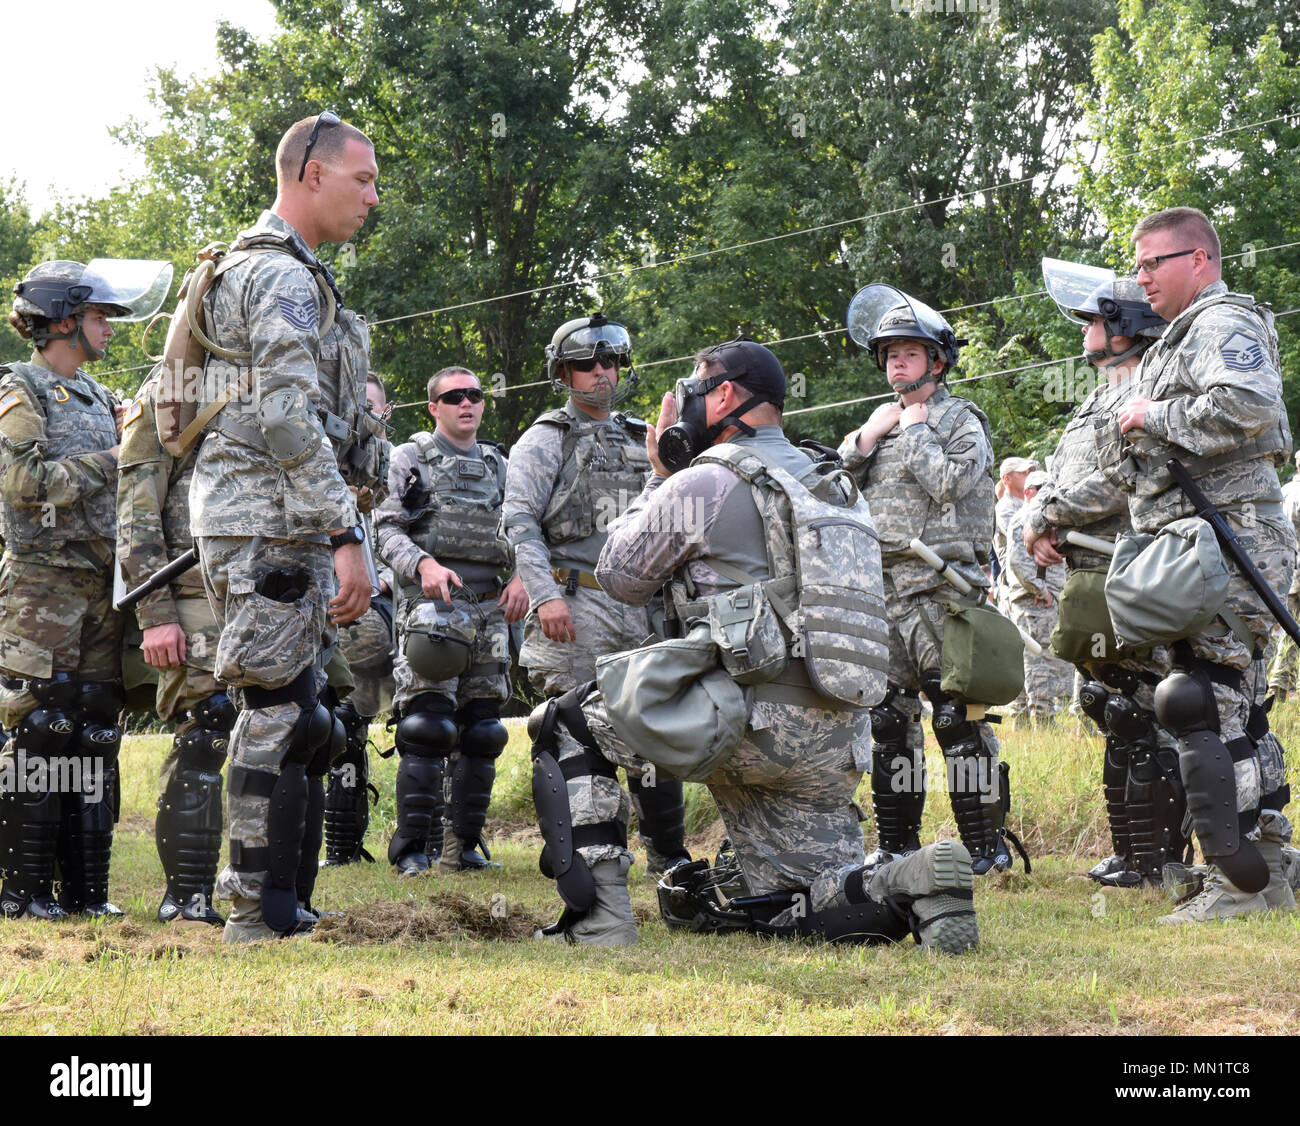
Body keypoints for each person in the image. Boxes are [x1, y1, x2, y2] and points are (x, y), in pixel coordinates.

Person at [527, 338, 980, 951]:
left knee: (565, 723)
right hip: (834, 735)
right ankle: (915, 880)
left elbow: (619, 576)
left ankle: (599, 922)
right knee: (797, 899)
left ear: (722, 397)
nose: (682, 402)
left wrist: (660, 478)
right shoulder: (834, 483)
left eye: (692, 387)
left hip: (736, 721)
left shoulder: (707, 481)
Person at [189, 112, 387, 942]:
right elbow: (287, 416)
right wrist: (347, 535)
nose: (373, 198)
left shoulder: (290, 273)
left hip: (282, 520)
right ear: (311, 175)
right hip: (270, 526)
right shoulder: (279, 278)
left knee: (304, 712)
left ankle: (283, 905)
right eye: (363, 180)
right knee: (275, 711)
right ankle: (250, 914)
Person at [1096, 206, 1295, 921]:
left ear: (1199, 261)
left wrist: (1153, 417)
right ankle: (1267, 862)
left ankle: (1239, 883)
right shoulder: (1177, 337)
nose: (1141, 276)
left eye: (1154, 262)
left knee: (1202, 696)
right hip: (1199, 540)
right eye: (1138, 263)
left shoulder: (1220, 323)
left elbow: (1248, 401)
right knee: (1232, 702)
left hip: (1230, 536)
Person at [837, 285, 1023, 876]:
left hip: (943, 591)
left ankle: (984, 849)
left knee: (956, 719)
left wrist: (914, 428)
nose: (896, 361)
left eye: (909, 353)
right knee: (890, 724)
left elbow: (948, 484)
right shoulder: (877, 424)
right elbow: (832, 495)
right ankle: (897, 847)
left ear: (936, 361)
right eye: (889, 353)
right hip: (883, 592)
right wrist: (866, 437)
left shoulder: (961, 420)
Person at [501, 314, 689, 876]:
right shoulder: (544, 439)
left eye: (609, 362)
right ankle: (585, 858)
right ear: (563, 373)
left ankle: (670, 860)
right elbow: (518, 522)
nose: (601, 373)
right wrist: (543, 595)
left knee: (654, 732)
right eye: (587, 364)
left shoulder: (643, 438)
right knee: (577, 730)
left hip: (644, 611)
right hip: (575, 606)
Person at [1023, 261, 1190, 887]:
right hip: (1092, 569)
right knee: (1110, 705)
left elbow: (1124, 476)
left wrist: (1044, 512)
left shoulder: (1145, 385)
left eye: (1096, 317)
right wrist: (1049, 529)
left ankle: (1158, 861)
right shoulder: (1101, 392)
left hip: (1133, 568)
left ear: (1125, 325)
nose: (1086, 327)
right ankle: (1130, 852)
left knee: (1140, 712)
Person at [0, 261, 135, 919]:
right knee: (43, 726)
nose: (110, 328)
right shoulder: (19, 388)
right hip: (41, 586)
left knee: (95, 732)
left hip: (102, 590)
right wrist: (110, 462)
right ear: (63, 319)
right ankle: (24, 893)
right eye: (100, 316)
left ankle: (88, 894)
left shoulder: (105, 399)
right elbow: (23, 483)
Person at [375, 366, 527, 875]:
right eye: (454, 396)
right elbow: (384, 529)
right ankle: (412, 850)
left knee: (483, 730)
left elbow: (526, 529)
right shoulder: (410, 458)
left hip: (491, 607)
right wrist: (423, 564)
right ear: (434, 408)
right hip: (433, 606)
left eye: (475, 395)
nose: (467, 404)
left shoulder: (499, 464)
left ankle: (461, 847)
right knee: (428, 724)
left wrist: (523, 577)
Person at [117, 363, 230, 925]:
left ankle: (276, 896)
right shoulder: (174, 387)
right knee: (206, 734)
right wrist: (155, 610)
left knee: (296, 734)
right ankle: (187, 899)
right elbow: (136, 509)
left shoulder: (282, 379)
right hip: (190, 593)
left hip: (272, 596)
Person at [324, 372, 397, 867]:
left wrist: (391, 574)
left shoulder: (397, 465)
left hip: (395, 608)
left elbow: (407, 533)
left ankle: (429, 845)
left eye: (371, 407)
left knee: (426, 726)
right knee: (343, 725)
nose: (362, 416)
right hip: (340, 609)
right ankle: (342, 847)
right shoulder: (325, 462)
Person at [1003, 470, 1072, 723]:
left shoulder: (1045, 520)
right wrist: (1041, 591)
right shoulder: (1024, 518)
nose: (1047, 492)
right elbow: (1017, 562)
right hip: (1034, 602)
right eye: (1041, 487)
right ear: (1029, 492)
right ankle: (1041, 717)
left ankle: (1030, 715)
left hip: (1047, 599)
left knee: (1039, 657)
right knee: (1037, 657)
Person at [1265, 451, 1300, 700]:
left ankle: (1280, 681)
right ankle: (1281, 681)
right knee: (1292, 630)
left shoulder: (1283, 490)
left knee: (1283, 627)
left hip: (1283, 569)